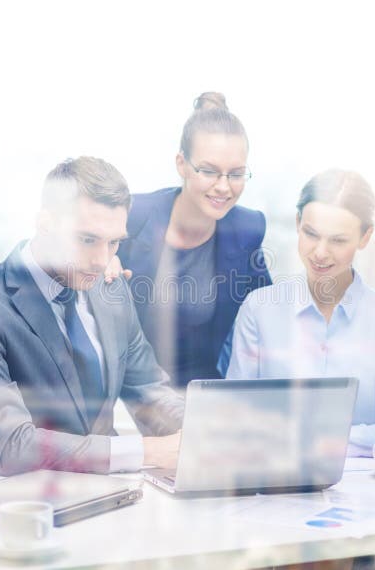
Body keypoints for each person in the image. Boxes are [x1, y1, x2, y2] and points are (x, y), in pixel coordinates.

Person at [0, 157, 184, 476]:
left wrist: (204, 432)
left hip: (114, 497)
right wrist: (146, 450)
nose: (102, 260)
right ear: (45, 223)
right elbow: (11, 445)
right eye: (87, 239)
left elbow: (149, 391)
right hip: (32, 502)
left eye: (114, 242)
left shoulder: (111, 290)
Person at [226, 170, 375, 456]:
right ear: (298, 223)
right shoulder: (258, 310)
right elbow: (231, 423)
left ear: (365, 237)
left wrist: (318, 440)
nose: (320, 253)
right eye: (311, 234)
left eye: (338, 241)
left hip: (368, 491)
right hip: (277, 485)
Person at [115, 92, 272, 388]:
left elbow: (273, 316)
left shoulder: (246, 230)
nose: (223, 187)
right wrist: (104, 260)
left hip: (199, 395)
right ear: (181, 164)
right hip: (123, 390)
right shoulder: (130, 217)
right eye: (209, 171)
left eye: (236, 174)